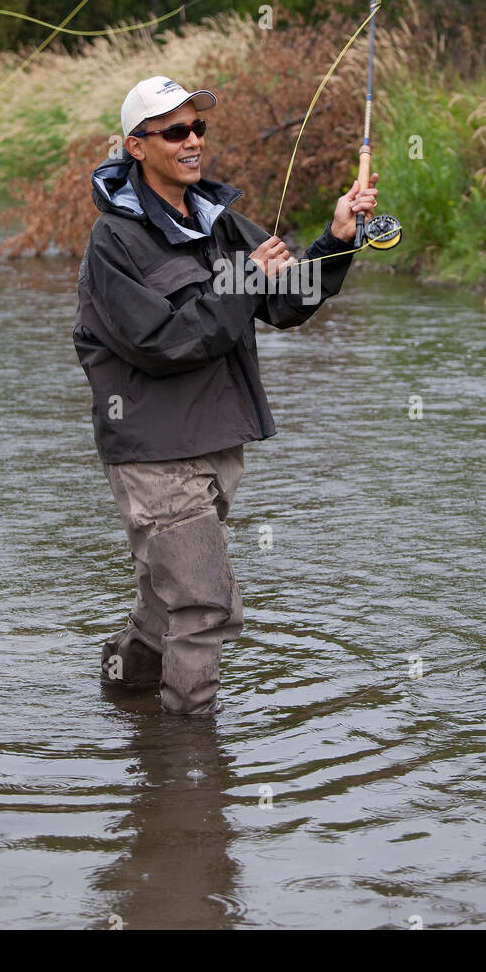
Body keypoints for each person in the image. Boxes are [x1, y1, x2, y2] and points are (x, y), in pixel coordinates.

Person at [73, 75, 378, 716]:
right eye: (175, 131)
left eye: (198, 128)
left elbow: (287, 301)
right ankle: (188, 775)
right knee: (205, 605)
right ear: (136, 146)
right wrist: (243, 282)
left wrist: (338, 237)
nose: (193, 142)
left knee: (165, 606)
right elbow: (161, 341)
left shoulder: (218, 221)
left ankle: (121, 700)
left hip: (217, 443)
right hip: (155, 451)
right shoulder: (114, 243)